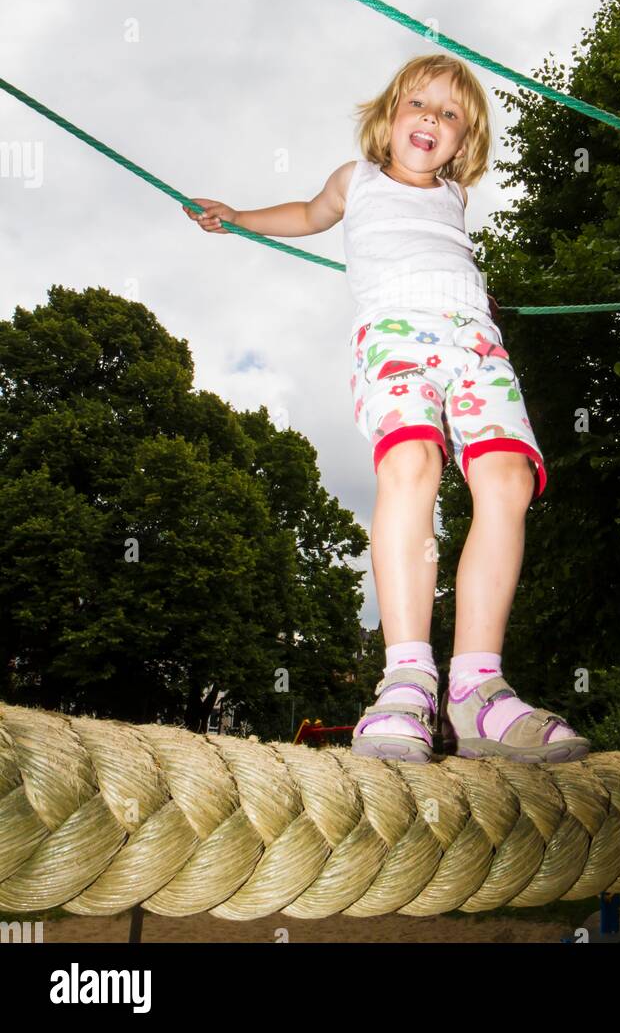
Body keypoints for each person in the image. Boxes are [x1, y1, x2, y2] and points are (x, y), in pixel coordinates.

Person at [183, 52, 589, 765]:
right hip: (397, 334)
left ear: (464, 144)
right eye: (418, 105)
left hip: (475, 341)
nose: (432, 118)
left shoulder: (455, 197)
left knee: (508, 481)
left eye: (451, 113)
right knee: (412, 460)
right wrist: (239, 216)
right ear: (389, 117)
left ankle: (476, 689)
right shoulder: (357, 180)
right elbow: (309, 214)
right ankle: (406, 678)